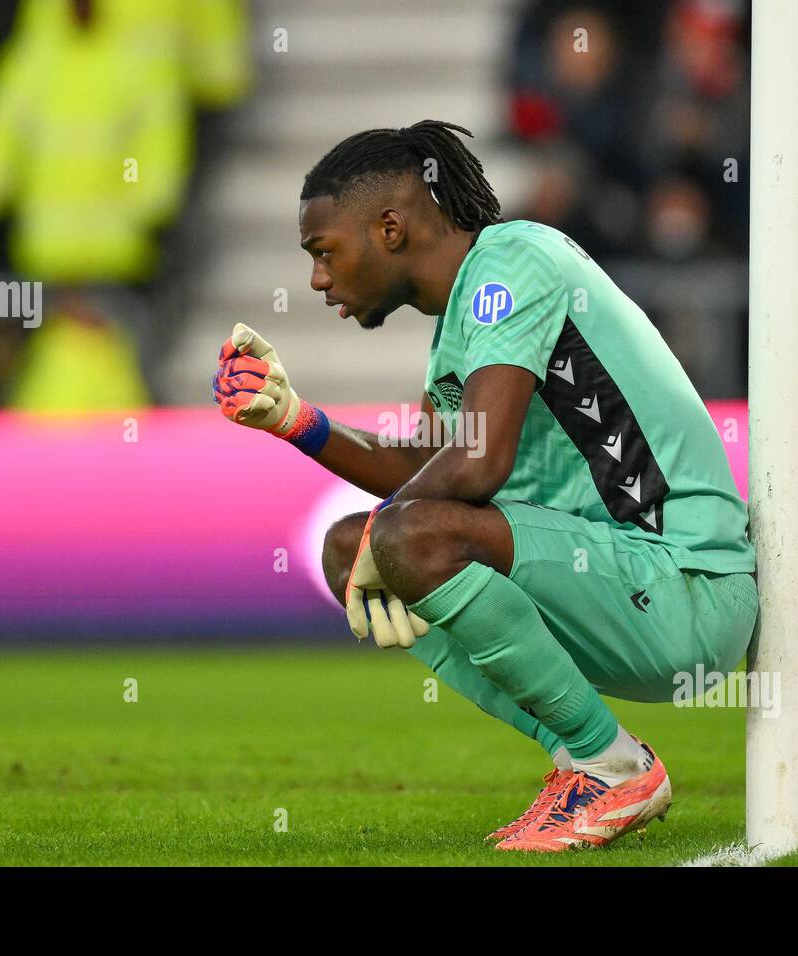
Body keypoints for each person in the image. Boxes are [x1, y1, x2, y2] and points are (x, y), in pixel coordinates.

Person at [212, 120, 757, 853]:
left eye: (323, 252)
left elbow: (476, 465)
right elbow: (432, 471)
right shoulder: (460, 328)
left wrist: (391, 533)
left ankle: (614, 767)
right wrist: (298, 421)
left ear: (391, 228)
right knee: (351, 551)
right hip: (607, 584)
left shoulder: (513, 263)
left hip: (685, 584)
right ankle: (587, 756)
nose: (317, 279)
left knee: (403, 538)